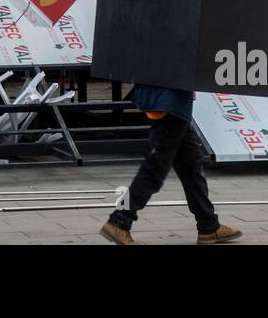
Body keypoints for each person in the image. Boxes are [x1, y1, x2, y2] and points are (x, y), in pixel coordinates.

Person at [101, 83, 242, 246]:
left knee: (191, 164)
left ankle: (208, 226)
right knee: (156, 167)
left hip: (174, 98)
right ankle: (119, 221)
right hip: (169, 99)